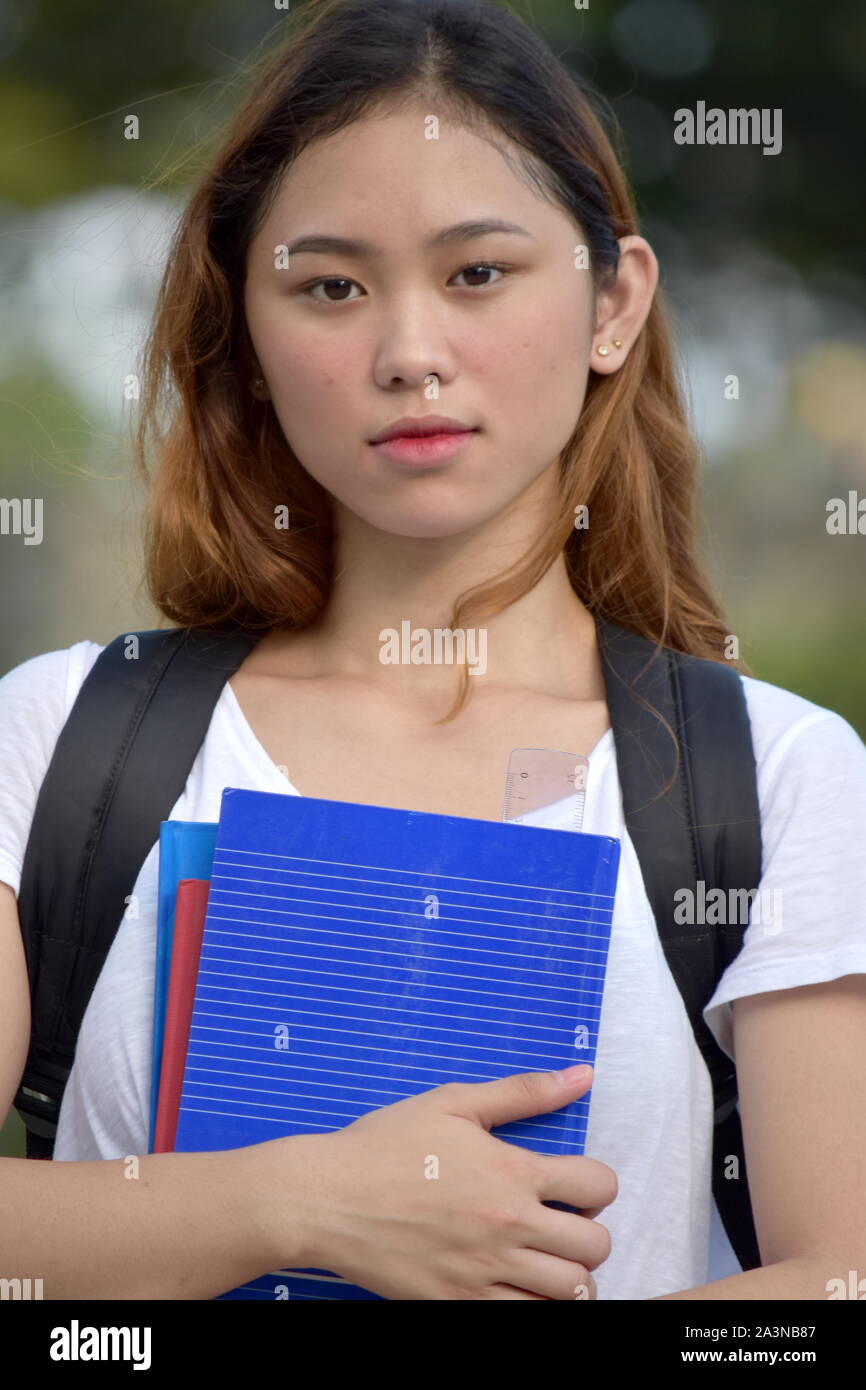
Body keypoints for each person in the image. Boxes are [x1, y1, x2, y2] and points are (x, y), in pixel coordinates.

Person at [2, 0, 865, 1302]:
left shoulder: (774, 776)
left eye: (477, 272)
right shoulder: (64, 733)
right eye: (329, 286)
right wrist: (297, 1202)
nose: (409, 354)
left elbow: (837, 1281)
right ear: (245, 330)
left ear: (612, 303)